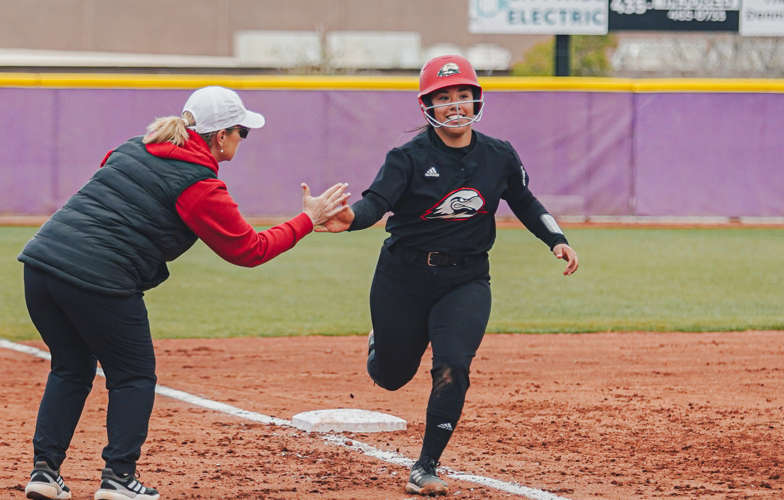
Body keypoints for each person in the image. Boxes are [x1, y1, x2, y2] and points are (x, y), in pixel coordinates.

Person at [19, 86, 350, 500]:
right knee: (134, 376)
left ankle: (45, 472)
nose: (242, 139)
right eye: (241, 132)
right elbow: (249, 250)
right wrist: (307, 220)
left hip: (40, 265)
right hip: (99, 277)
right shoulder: (199, 183)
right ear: (220, 136)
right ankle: (119, 478)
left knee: (71, 367)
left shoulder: (133, 147)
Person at [317, 55, 579, 496]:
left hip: (466, 279)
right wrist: (350, 219)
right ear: (427, 107)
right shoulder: (407, 157)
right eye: (444, 98)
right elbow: (375, 203)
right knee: (392, 377)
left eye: (462, 95)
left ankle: (425, 466)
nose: (455, 105)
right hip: (403, 278)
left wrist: (556, 238)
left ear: (476, 100)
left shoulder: (498, 154)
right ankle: (380, 345)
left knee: (453, 366)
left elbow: (524, 200)